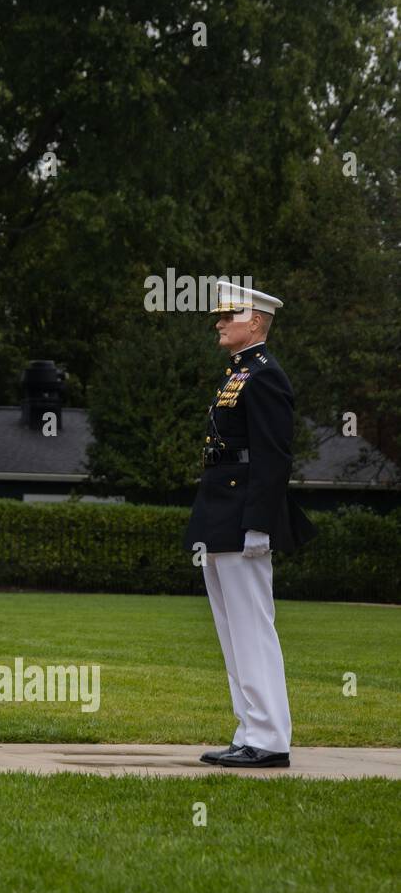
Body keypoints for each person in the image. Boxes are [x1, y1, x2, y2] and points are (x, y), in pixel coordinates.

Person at [186, 283, 316, 769]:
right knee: (230, 629)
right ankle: (249, 729)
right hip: (222, 508)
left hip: (243, 514)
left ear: (256, 322)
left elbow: (273, 454)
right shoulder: (239, 373)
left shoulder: (265, 376)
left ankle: (269, 737)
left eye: (228, 316)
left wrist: (259, 525)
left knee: (251, 627)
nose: (219, 323)